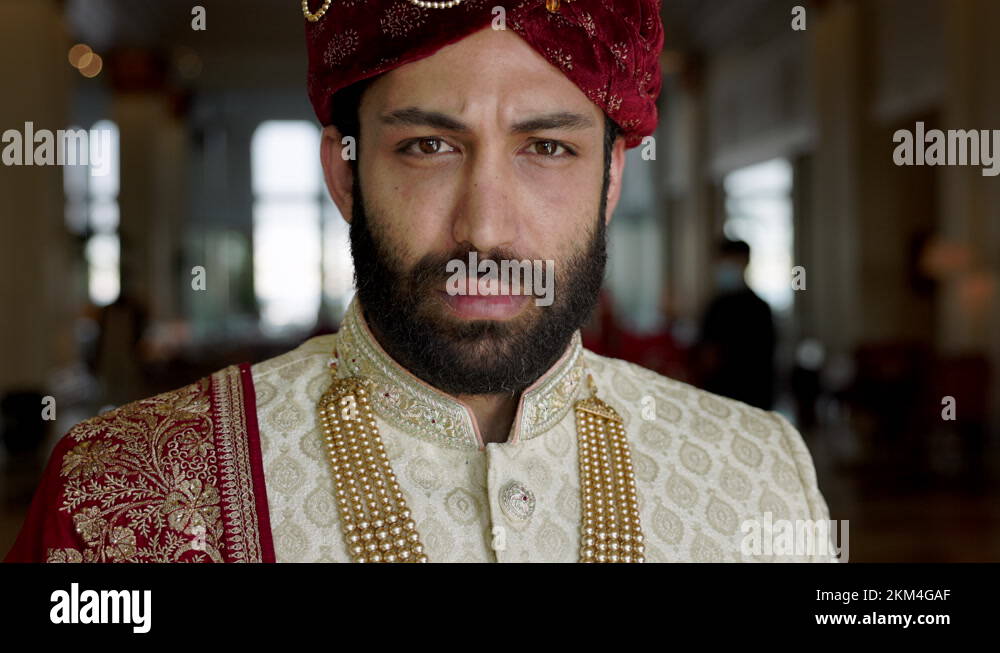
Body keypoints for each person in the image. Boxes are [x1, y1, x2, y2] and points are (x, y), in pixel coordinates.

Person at [5, 0, 835, 563]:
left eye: (548, 148)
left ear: (611, 180)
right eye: (428, 146)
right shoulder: (119, 490)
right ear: (344, 173)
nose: (486, 227)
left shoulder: (759, 472)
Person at [697, 239, 777, 410]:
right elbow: (706, 355)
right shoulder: (715, 306)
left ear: (745, 262)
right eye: (722, 261)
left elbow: (766, 361)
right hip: (719, 398)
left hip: (752, 397)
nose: (725, 267)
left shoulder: (759, 309)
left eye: (731, 261)